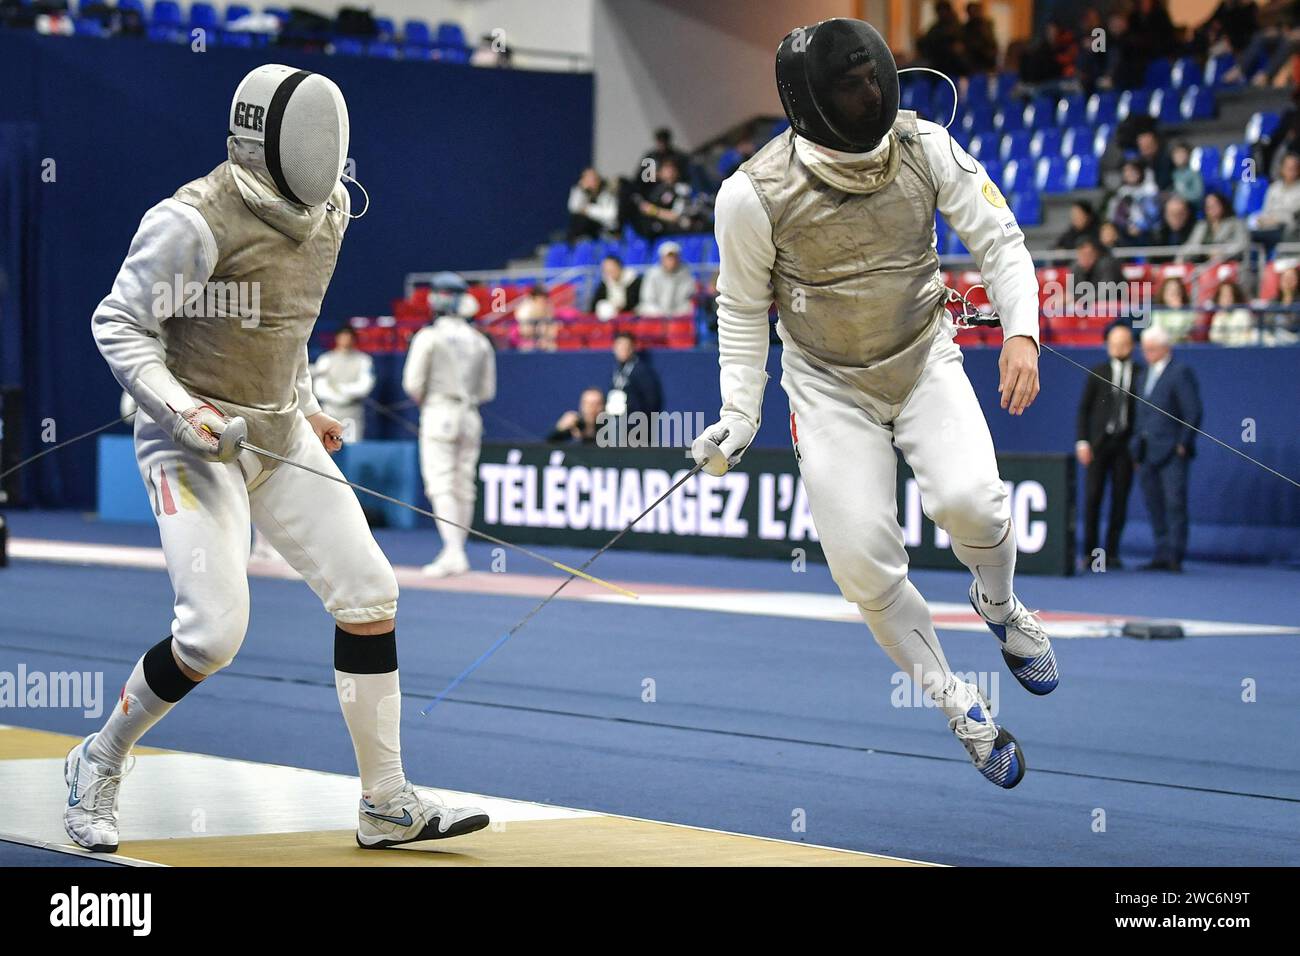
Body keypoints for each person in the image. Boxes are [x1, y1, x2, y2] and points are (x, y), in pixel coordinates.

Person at [77, 65, 488, 853]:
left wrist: (300, 401)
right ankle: (99, 759)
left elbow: (285, 320)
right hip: (189, 440)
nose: (325, 157)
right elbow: (120, 324)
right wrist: (184, 409)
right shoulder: (192, 220)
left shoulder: (329, 207)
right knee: (211, 636)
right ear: (263, 139)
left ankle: (386, 802)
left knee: (369, 594)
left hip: (277, 433)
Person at [693, 19, 1057, 791]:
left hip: (924, 354)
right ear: (815, 103)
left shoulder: (924, 144)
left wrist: (1021, 333)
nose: (868, 95)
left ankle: (999, 606)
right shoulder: (750, 195)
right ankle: (960, 705)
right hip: (827, 385)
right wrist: (739, 414)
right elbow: (740, 309)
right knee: (862, 564)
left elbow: (1000, 239)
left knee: (976, 507)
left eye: (871, 79)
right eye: (849, 85)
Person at [403, 272, 497, 577]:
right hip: (470, 417)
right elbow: (487, 392)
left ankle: (453, 552)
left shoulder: (428, 337)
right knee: (463, 485)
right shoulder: (480, 340)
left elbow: (412, 383)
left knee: (441, 483)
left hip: (439, 414)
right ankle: (458, 551)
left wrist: (431, 398)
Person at [1130, 326, 1202, 572]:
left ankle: (1175, 555)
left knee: (1174, 503)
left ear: (1165, 348)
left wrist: (1183, 444)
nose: (1146, 353)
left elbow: (1192, 411)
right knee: (1154, 504)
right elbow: (1140, 414)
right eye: (1145, 349)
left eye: (1151, 349)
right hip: (1146, 451)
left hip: (1171, 452)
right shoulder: (1142, 375)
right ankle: (1161, 552)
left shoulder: (1180, 373)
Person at [1075, 323, 1139, 569]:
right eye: (1114, 343)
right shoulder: (1097, 371)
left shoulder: (1140, 373)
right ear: (1107, 345)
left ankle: (1111, 554)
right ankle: (1090, 554)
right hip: (1098, 445)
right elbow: (1084, 410)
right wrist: (1083, 442)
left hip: (1125, 445)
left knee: (1120, 499)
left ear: (1131, 345)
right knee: (1093, 498)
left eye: (1123, 343)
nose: (1119, 348)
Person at [311, 326, 374, 441]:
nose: (346, 340)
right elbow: (319, 387)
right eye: (343, 337)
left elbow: (365, 385)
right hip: (329, 411)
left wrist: (343, 390)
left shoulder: (363, 360)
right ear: (337, 339)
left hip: (353, 413)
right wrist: (336, 398)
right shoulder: (326, 359)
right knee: (328, 446)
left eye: (349, 337)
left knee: (352, 448)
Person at [607, 331, 662, 420]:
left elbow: (652, 401)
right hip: (618, 422)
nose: (622, 349)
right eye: (619, 346)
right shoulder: (617, 370)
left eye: (626, 346)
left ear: (632, 348)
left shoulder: (641, 371)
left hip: (636, 425)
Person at [1184, 190, 1250, 259]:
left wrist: (1222, 252)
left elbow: (1242, 245)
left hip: (1229, 263)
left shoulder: (1236, 223)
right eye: (1208, 206)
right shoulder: (1201, 226)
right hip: (1202, 265)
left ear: (1223, 204)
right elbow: (1190, 246)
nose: (1211, 208)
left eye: (1215, 205)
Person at [637, 241, 696, 316]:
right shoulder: (652, 274)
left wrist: (673, 314)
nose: (671, 261)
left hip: (678, 313)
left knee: (689, 308)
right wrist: (661, 313)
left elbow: (688, 297)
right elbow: (647, 298)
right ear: (662, 258)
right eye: (668, 258)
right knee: (645, 308)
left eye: (674, 257)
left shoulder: (686, 273)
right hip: (656, 314)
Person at [567, 167, 618, 242]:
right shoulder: (582, 192)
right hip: (588, 229)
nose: (591, 182)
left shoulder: (607, 193)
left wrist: (588, 210)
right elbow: (573, 207)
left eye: (593, 179)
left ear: (598, 179)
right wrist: (581, 190)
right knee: (578, 220)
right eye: (587, 179)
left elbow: (611, 216)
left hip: (606, 230)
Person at [1256, 151, 1300, 238]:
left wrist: (1277, 220)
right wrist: (1263, 220)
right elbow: (1265, 210)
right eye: (1288, 168)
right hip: (1268, 227)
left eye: (1294, 168)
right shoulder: (1273, 188)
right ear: (1282, 169)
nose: (1291, 171)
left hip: (1290, 229)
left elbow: (1293, 216)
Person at [1149, 275, 1202, 342]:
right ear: (1163, 294)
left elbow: (1179, 334)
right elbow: (1158, 334)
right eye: (1169, 290)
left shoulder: (1189, 312)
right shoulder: (1158, 311)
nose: (1173, 293)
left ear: (1182, 293)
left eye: (1177, 290)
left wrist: (1177, 311)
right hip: (1162, 347)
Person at [1207, 279, 1259, 345]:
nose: (1226, 299)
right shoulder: (1218, 316)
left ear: (1235, 297)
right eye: (1223, 296)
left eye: (1229, 295)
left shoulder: (1242, 314)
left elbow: (1239, 340)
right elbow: (1215, 338)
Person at [589, 254, 641, 320]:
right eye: (606, 269)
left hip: (631, 313)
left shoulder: (634, 280)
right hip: (611, 314)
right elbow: (595, 303)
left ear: (619, 266)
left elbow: (636, 301)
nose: (609, 271)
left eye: (611, 268)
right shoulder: (605, 282)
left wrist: (620, 308)